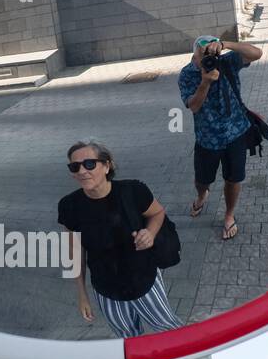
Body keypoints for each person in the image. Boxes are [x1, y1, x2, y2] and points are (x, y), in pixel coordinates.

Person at [57, 140, 183, 339]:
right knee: (128, 337)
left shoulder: (134, 191)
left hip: (144, 281)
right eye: (75, 166)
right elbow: (74, 250)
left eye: (89, 164)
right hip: (106, 290)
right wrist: (82, 294)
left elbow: (157, 213)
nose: (82, 171)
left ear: (107, 166)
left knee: (168, 327)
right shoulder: (68, 206)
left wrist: (150, 233)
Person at [178, 34, 264, 241]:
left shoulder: (226, 61)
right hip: (208, 138)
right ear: (194, 55)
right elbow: (194, 106)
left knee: (234, 178)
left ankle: (228, 215)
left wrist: (226, 44)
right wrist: (205, 83)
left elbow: (257, 53)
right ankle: (201, 195)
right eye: (203, 55)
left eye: (211, 53)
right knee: (202, 180)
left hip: (236, 132)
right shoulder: (187, 74)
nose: (208, 58)